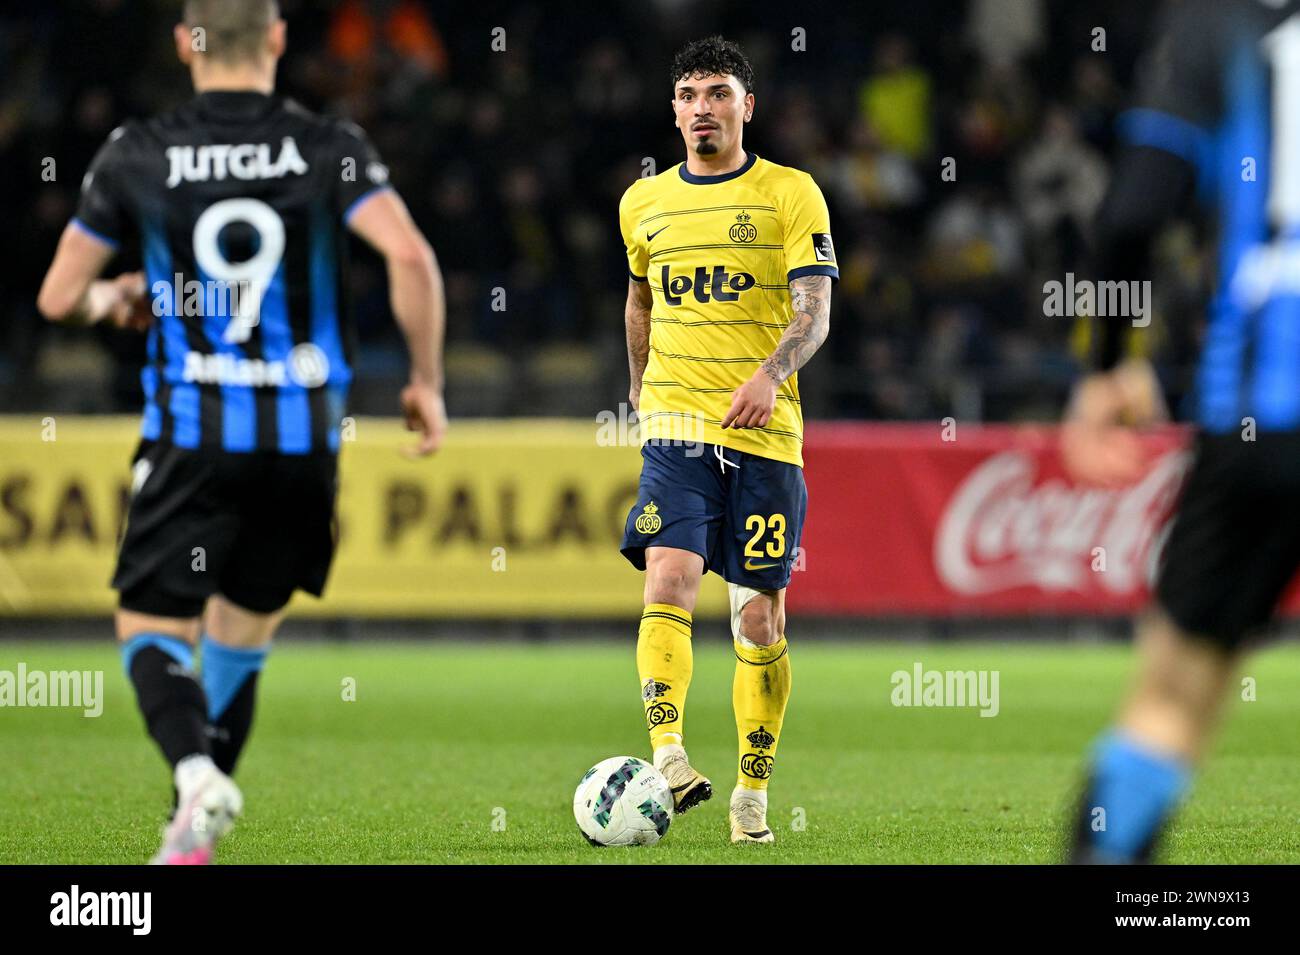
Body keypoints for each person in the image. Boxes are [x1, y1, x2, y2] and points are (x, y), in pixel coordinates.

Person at [36, 0, 446, 864]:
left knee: (148, 626)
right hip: (303, 446)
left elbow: (56, 296)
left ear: (185, 43)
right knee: (240, 636)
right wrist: (425, 382)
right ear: (277, 40)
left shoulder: (138, 152)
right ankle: (191, 834)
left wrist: (111, 298)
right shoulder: (328, 145)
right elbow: (410, 256)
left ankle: (193, 774)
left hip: (194, 432)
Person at [1062, 0, 1300, 862]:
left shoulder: (1218, 27)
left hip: (1266, 411)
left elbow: (1129, 218)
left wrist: (1106, 367)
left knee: (1172, 699)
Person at [618, 36, 836, 844]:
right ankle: (669, 756)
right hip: (675, 425)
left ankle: (751, 793)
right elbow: (640, 297)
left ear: (748, 105)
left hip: (767, 435)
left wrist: (769, 375)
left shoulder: (791, 193)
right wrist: (638, 384)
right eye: (687, 94)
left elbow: (812, 312)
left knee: (761, 623)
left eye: (717, 92)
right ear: (672, 109)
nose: (701, 107)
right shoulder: (642, 202)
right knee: (668, 577)